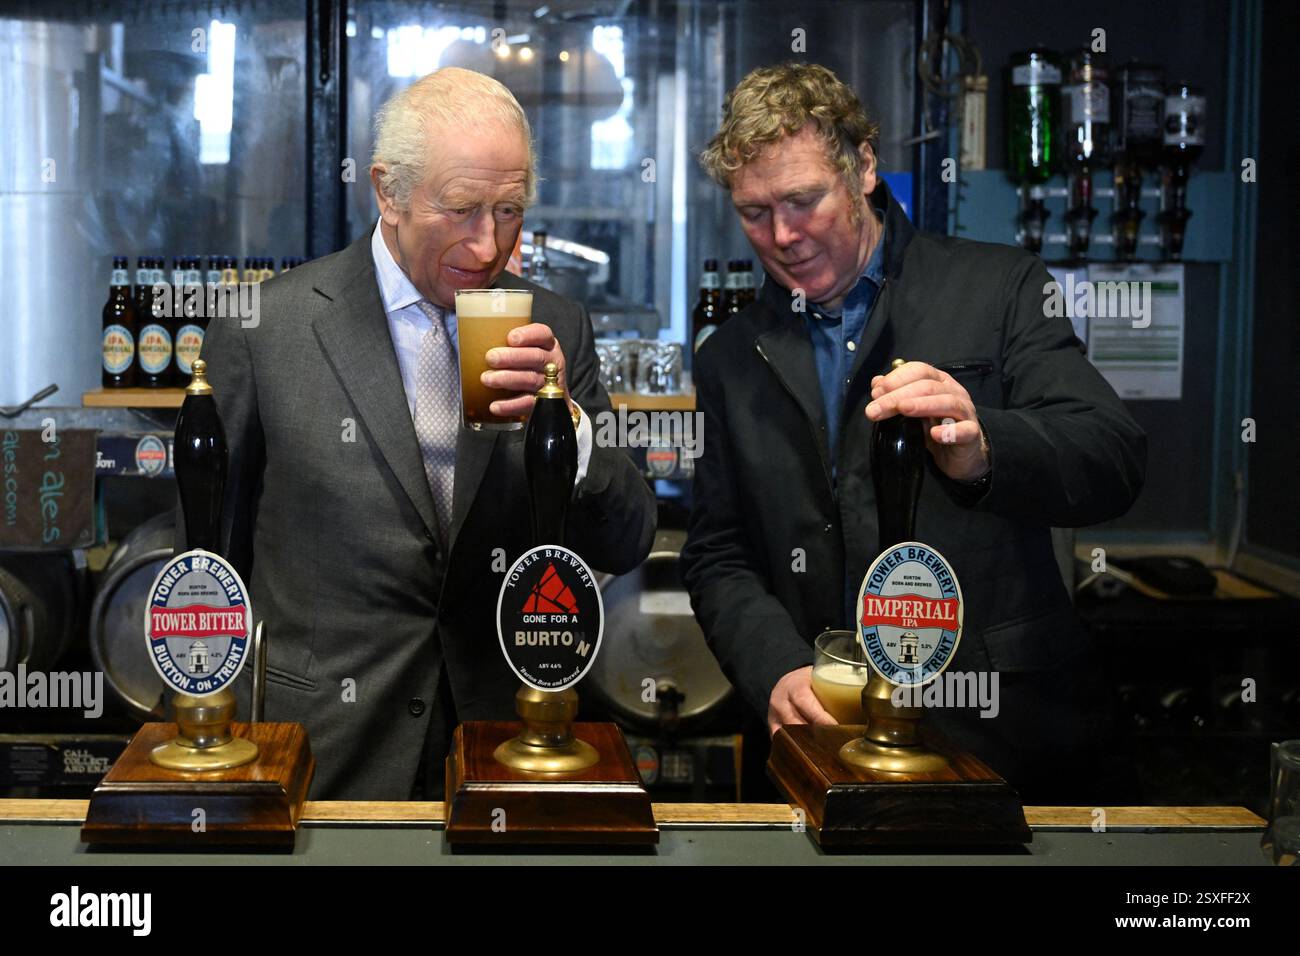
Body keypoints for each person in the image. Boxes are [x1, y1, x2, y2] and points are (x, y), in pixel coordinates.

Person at [681, 62, 1146, 804]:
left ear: (863, 166)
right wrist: (775, 667)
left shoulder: (1000, 288)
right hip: (816, 746)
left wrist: (986, 446)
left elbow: (1112, 455)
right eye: (754, 212)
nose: (783, 235)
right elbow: (717, 550)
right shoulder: (733, 356)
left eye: (803, 201)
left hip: (1002, 739)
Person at [186, 68, 656, 800]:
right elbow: (214, 549)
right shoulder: (265, 328)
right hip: (324, 746)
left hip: (509, 739)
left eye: (509, 210)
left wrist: (567, 430)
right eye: (462, 209)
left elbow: (624, 541)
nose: (487, 243)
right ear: (388, 192)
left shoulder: (553, 326)